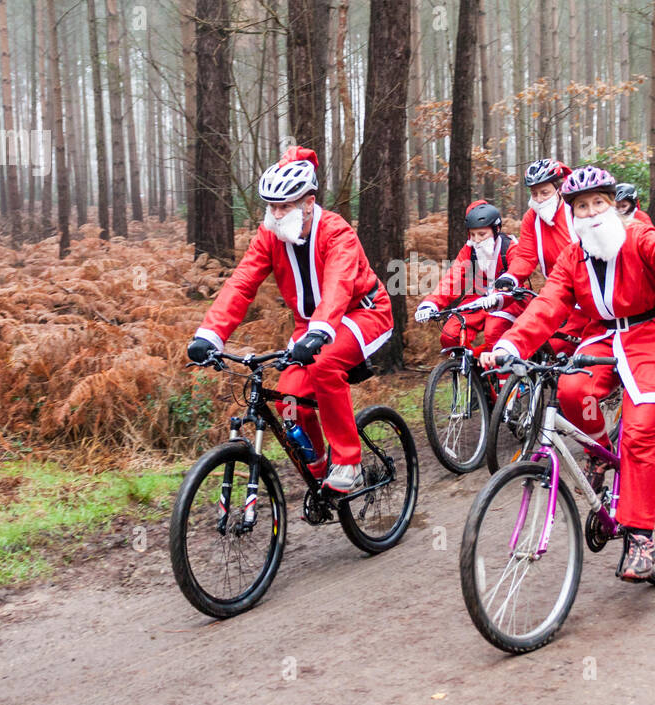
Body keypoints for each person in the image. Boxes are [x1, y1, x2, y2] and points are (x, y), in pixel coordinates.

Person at [481, 166, 655, 582]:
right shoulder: (572, 255)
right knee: (573, 389)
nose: (592, 211)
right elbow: (548, 304)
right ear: (572, 213)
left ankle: (640, 535)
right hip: (603, 338)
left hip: (651, 338)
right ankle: (598, 453)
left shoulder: (637, 234)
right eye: (582, 205)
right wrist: (508, 345)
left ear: (612, 205)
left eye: (600, 202)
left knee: (637, 434)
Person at [186, 146, 393, 494]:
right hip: (310, 328)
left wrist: (320, 332)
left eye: (285, 206)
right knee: (287, 402)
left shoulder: (336, 232)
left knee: (325, 364)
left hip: (363, 313)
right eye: (272, 206)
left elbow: (339, 285)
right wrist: (210, 334)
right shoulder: (270, 235)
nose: (276, 214)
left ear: (308, 202)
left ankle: (348, 462)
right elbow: (242, 283)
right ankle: (318, 467)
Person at [490, 159, 591, 353]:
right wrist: (510, 277)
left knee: (560, 346)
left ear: (559, 190)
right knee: (541, 342)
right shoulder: (531, 218)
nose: (538, 199)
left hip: (586, 290)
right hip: (557, 290)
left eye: (544, 193)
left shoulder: (575, 212)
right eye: (534, 193)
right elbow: (526, 256)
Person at [414, 200, 525, 353]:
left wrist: (502, 291)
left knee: (494, 331)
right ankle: (473, 368)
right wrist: (431, 303)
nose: (477, 240)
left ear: (496, 230)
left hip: (509, 300)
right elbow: (453, 277)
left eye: (482, 234)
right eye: (472, 234)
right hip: (478, 298)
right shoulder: (469, 250)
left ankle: (502, 375)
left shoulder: (510, 247)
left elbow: (520, 270)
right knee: (449, 335)